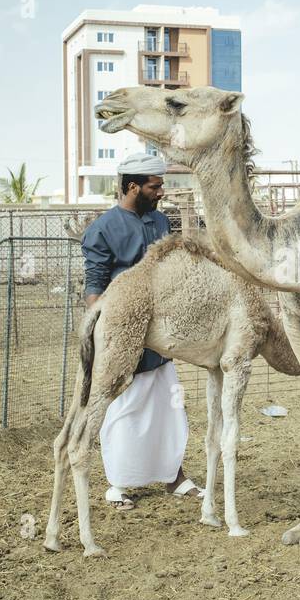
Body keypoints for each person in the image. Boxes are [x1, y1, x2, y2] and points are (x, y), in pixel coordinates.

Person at [81, 152, 202, 509]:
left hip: (161, 338)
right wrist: (115, 337)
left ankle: (173, 476)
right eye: (155, 185)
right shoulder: (102, 229)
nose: (162, 191)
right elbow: (95, 293)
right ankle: (118, 484)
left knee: (171, 408)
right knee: (124, 411)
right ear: (133, 186)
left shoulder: (161, 222)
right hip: (125, 339)